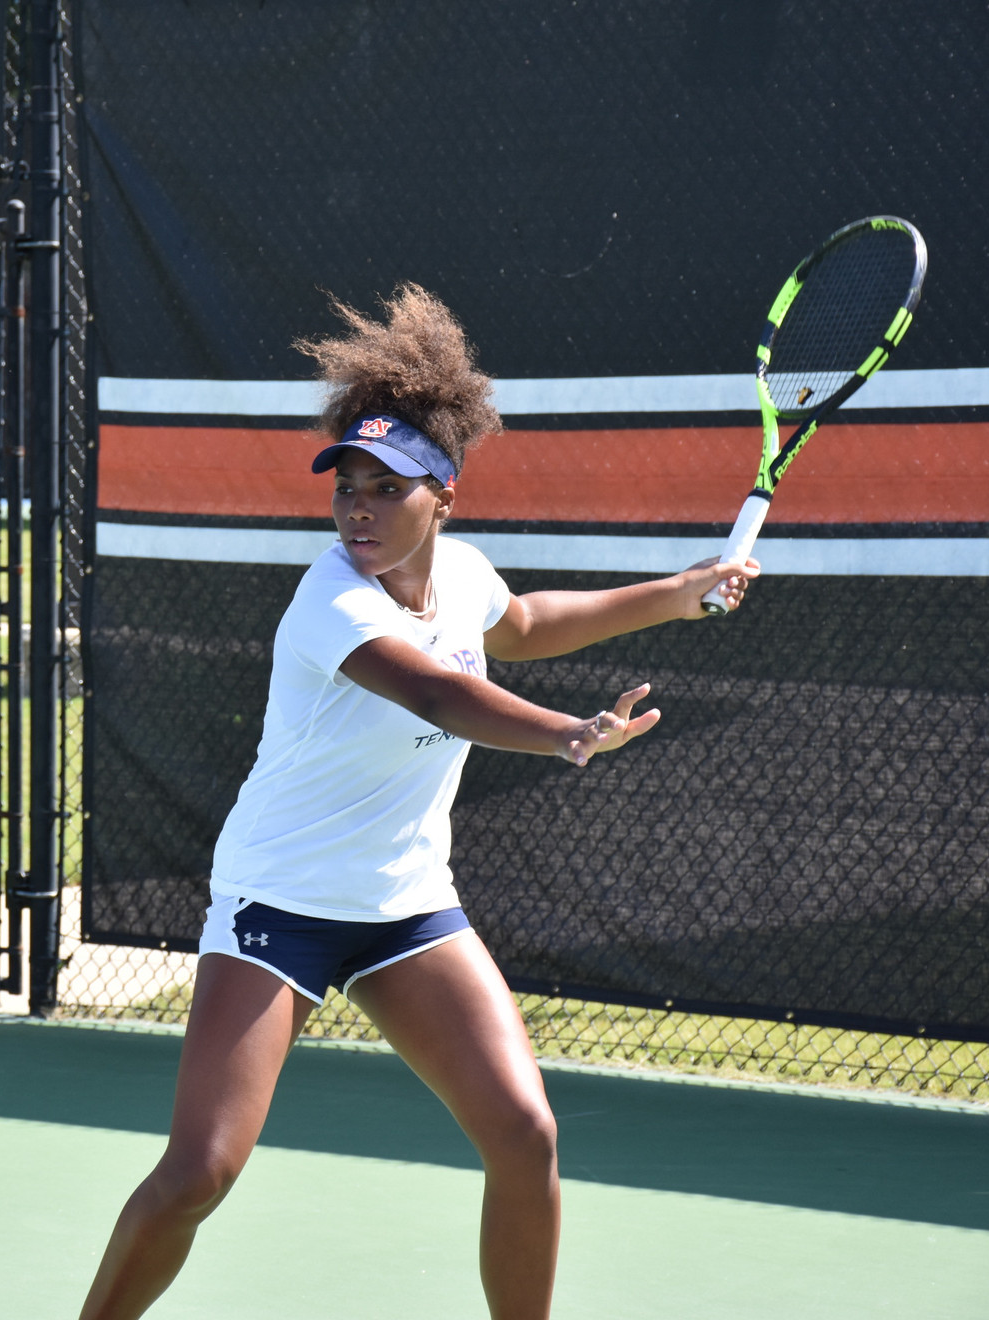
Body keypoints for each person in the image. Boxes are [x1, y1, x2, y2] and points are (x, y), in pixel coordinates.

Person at [76, 285, 759, 1320]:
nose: (358, 508)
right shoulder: (330, 601)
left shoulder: (466, 576)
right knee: (201, 1170)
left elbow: (525, 623)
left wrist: (676, 593)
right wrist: (566, 731)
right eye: (346, 487)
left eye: (386, 489)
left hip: (405, 906)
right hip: (280, 905)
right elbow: (442, 694)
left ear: (444, 498)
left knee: (524, 1134)